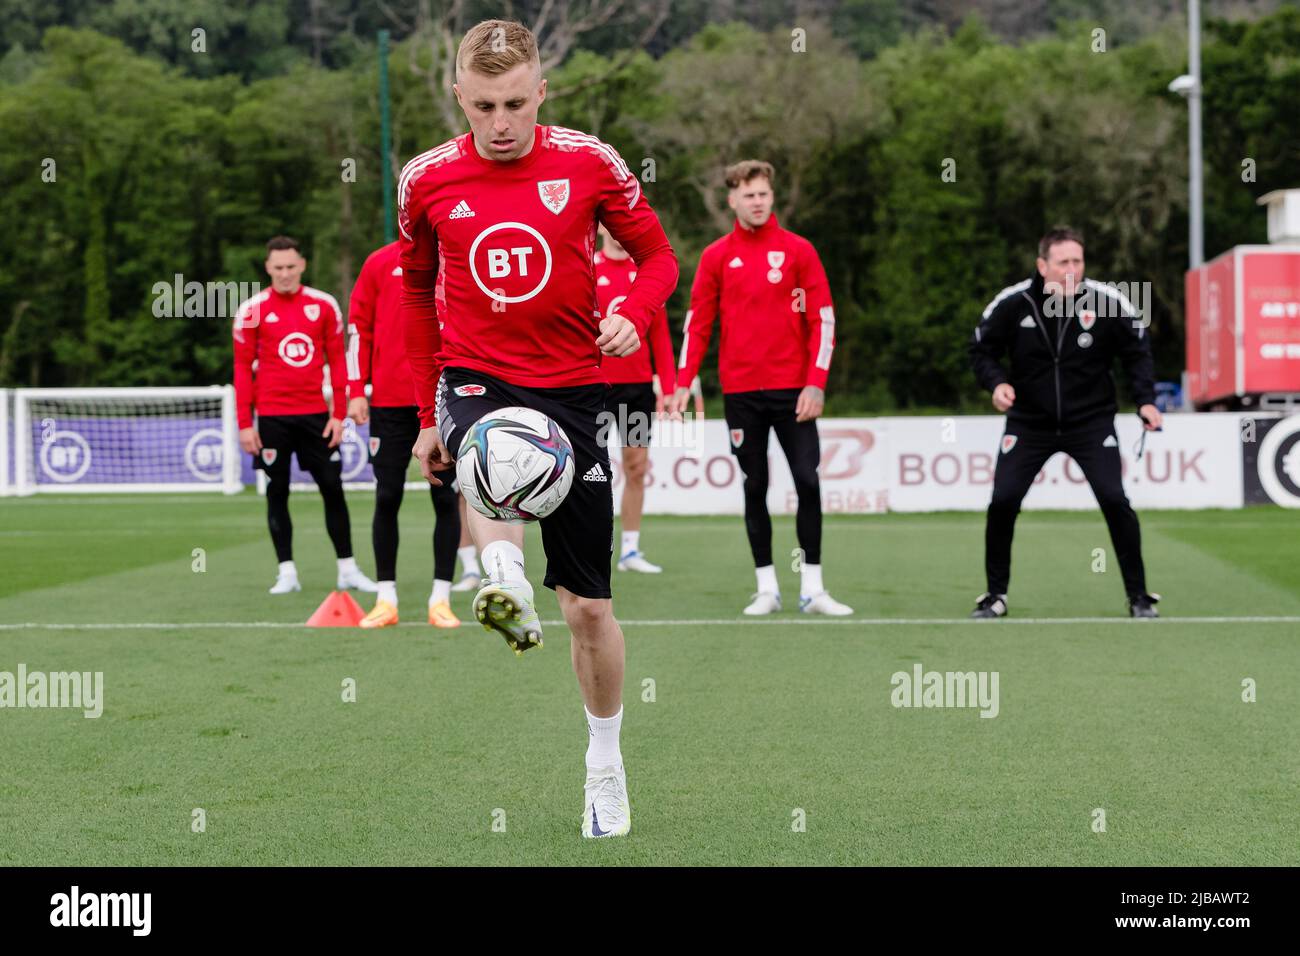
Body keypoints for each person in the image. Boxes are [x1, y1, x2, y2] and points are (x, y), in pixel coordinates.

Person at [399, 19, 678, 838]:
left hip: (577, 392)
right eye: (484, 105)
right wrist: (426, 417)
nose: (501, 121)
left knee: (589, 610)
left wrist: (631, 308)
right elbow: (418, 298)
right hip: (476, 375)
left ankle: (604, 764)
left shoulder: (590, 162)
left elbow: (659, 258)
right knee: (490, 450)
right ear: (460, 97)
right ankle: (502, 576)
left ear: (541, 91)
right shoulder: (427, 180)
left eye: (515, 102)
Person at [667, 160, 851, 617]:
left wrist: (816, 383)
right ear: (732, 200)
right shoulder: (716, 257)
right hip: (742, 392)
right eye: (748, 195)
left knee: (808, 482)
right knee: (755, 485)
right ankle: (766, 586)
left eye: (763, 194)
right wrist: (681, 382)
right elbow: (698, 325)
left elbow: (822, 320)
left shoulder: (798, 251)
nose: (756, 202)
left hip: (795, 393)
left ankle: (813, 588)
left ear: (772, 197)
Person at [968, 227, 1163, 619]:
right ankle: (995, 595)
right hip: (1029, 424)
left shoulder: (1108, 302)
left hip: (1091, 423)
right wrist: (997, 383)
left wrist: (1145, 401)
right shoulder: (1013, 303)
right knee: (1003, 501)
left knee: (1114, 500)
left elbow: (1137, 352)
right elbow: (980, 349)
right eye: (1063, 262)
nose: (1072, 269)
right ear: (1043, 266)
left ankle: (1139, 597)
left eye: (1078, 261)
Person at [233, 235, 377, 596]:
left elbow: (339, 363)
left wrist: (338, 414)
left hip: (316, 416)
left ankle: (347, 569)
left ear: (302, 266)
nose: (284, 274)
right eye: (278, 267)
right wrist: (245, 424)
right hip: (272, 420)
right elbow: (241, 369)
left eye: (290, 267)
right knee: (276, 493)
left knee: (333, 489)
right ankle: (287, 572)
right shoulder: (252, 310)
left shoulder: (324, 305)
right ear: (267, 268)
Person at [346, 240, 461, 629]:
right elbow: (358, 329)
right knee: (387, 494)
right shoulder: (379, 262)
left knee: (446, 498)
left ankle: (441, 599)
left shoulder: (459, 253)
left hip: (444, 397)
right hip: (390, 404)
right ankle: (386, 599)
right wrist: (356, 388)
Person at [594, 223, 677, 573]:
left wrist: (670, 389)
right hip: (596, 387)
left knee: (636, 468)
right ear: (599, 227)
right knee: (592, 473)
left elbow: (659, 335)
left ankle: (630, 550)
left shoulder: (644, 273)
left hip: (637, 389)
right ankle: (594, 548)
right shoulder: (588, 268)